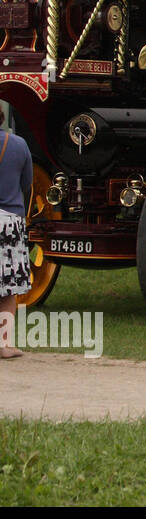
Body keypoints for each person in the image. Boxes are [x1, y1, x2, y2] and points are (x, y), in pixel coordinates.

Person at [0, 128, 33, 358]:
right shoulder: (18, 144)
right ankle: (3, 344)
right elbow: (27, 182)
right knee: (8, 289)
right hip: (9, 221)